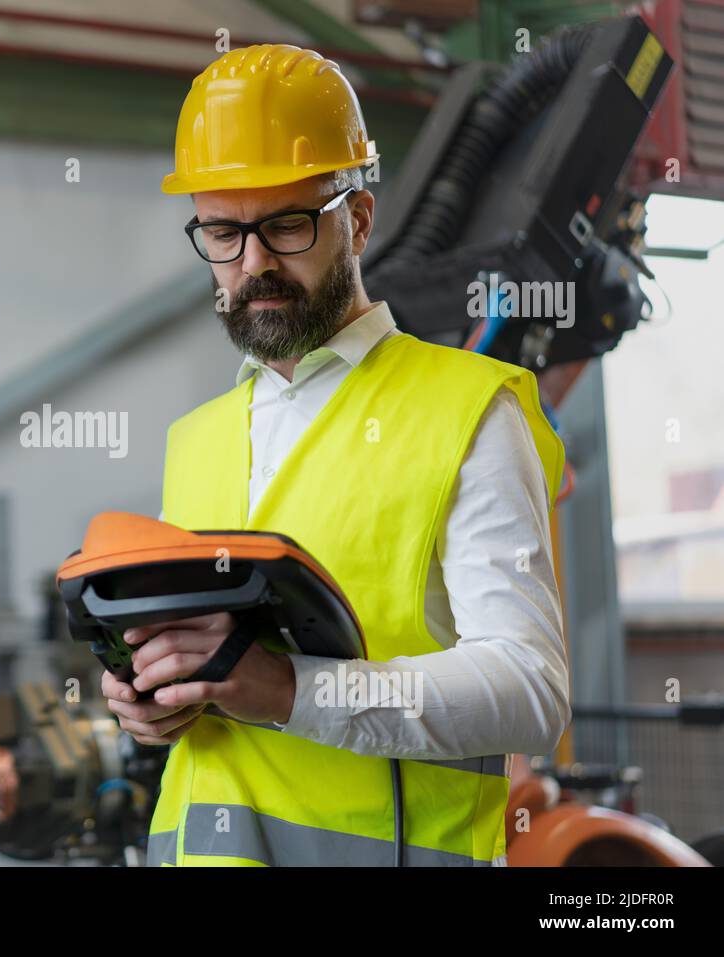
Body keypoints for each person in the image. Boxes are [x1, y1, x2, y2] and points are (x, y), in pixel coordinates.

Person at [100, 43, 570, 867]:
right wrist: (156, 698)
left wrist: (289, 693)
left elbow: (532, 690)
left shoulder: (466, 409)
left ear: (357, 217)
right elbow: (205, 672)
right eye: (221, 230)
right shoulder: (196, 438)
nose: (253, 264)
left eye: (286, 224)